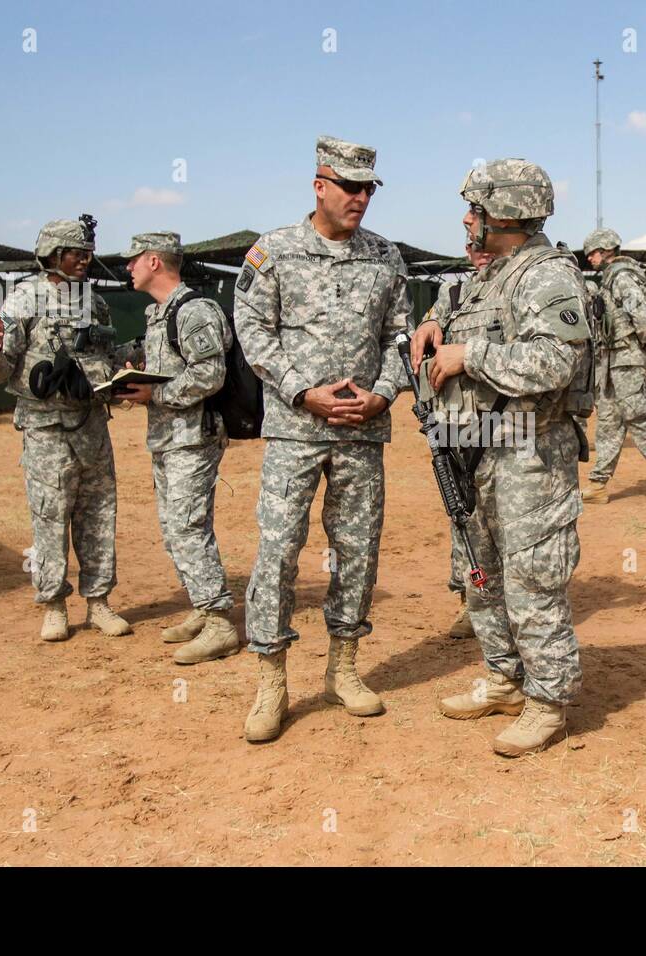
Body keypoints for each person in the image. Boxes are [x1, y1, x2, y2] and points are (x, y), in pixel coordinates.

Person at [411, 158, 594, 757]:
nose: (468, 221)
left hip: (528, 452)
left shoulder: (547, 277)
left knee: (533, 579)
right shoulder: (491, 275)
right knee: (480, 574)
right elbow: (464, 317)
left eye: (477, 210)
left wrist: (471, 357)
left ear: (506, 214)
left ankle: (547, 700)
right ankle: (505, 678)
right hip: (471, 451)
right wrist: (435, 325)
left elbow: (554, 364)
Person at [233, 136, 411, 743]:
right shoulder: (274, 252)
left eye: (369, 188)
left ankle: (344, 667)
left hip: (362, 429)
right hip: (295, 429)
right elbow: (252, 331)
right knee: (279, 550)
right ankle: (272, 679)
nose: (361, 198)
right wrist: (298, 389)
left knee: (357, 549)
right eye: (350, 186)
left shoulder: (386, 257)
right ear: (319, 185)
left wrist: (385, 391)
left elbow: (401, 336)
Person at [0, 217, 131, 642]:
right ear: (52, 256)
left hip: (92, 425)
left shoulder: (94, 302)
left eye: (87, 252)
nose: (85, 259)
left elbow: (107, 355)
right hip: (46, 429)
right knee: (49, 516)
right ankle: (54, 605)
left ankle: (99, 602)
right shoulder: (23, 300)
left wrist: (122, 372)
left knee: (99, 514)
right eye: (76, 252)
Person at [118, 231, 239, 665]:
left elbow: (210, 375)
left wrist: (156, 395)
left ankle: (221, 623)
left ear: (154, 261)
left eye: (133, 260)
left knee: (189, 528)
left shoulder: (194, 311)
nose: (127, 267)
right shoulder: (159, 314)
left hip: (193, 438)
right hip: (168, 440)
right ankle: (203, 609)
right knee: (174, 530)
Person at [580, 227, 646, 507]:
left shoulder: (622, 277)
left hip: (626, 358)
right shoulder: (612, 277)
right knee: (609, 420)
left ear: (606, 250)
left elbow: (643, 318)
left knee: (637, 419)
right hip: (613, 360)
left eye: (593, 253)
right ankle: (599, 483)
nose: (590, 258)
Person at [424, 243, 495, 641]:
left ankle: (499, 599)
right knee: (461, 511)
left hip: (506, 423)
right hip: (456, 421)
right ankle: (469, 598)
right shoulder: (452, 296)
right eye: (472, 247)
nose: (478, 252)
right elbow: (430, 330)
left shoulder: (518, 288)